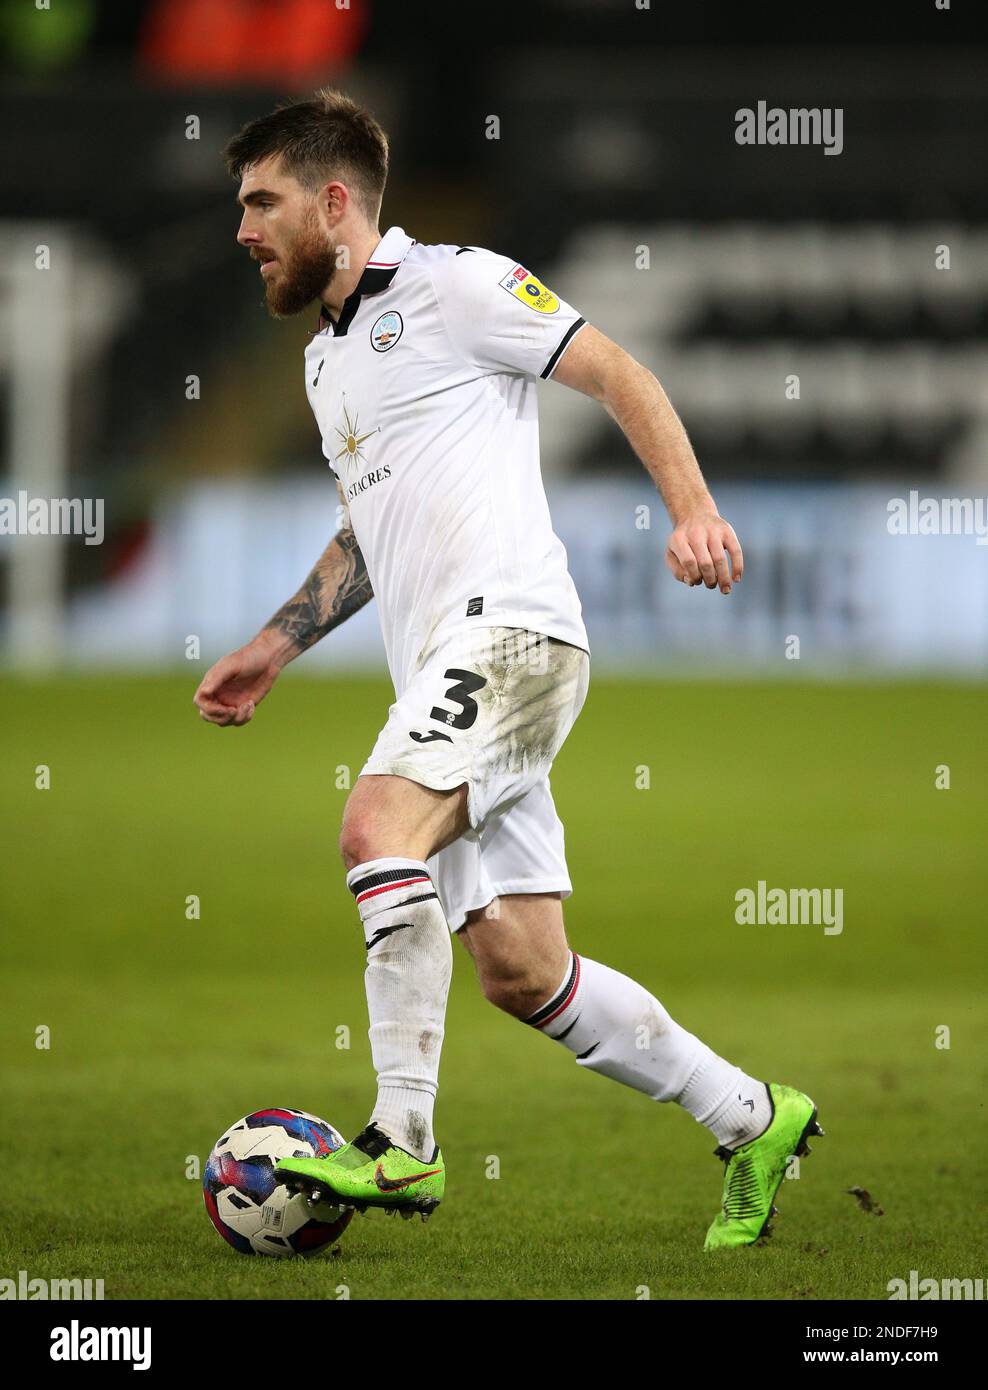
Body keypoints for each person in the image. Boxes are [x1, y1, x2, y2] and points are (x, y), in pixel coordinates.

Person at [194, 88, 821, 1250]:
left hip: (514, 635)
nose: (244, 228)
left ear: (335, 201)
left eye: (262, 201)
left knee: (378, 829)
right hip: (449, 655)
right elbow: (367, 535)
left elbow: (620, 373)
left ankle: (402, 1143)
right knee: (524, 970)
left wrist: (691, 513)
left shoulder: (459, 284)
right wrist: (275, 643)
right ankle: (752, 1114)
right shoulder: (327, 363)